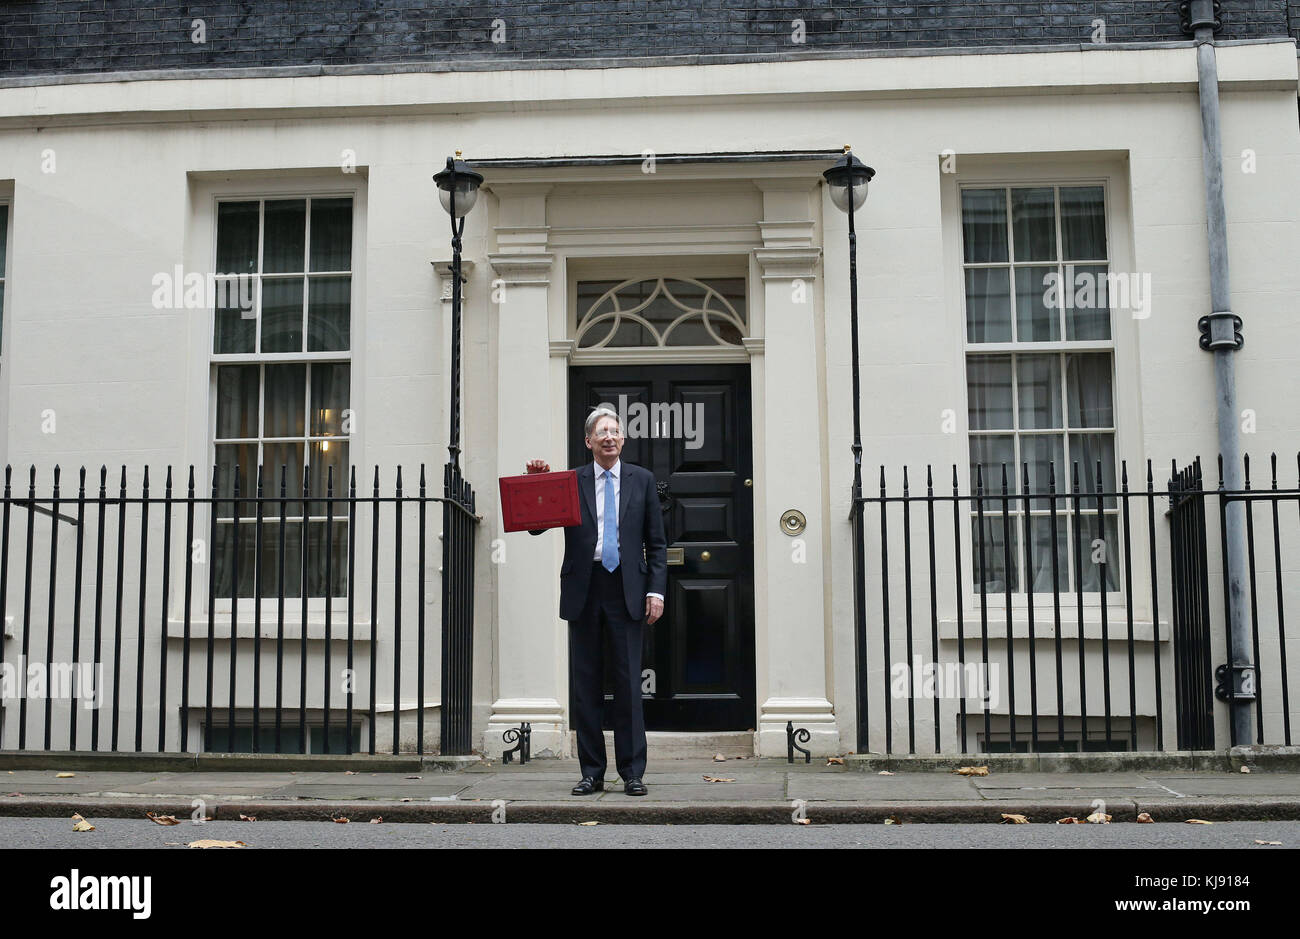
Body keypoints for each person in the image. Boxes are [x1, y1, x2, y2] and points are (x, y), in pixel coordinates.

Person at [526, 406, 667, 796]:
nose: (610, 436)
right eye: (602, 431)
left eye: (616, 431)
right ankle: (591, 772)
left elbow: (656, 543)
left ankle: (632, 771)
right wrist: (537, 483)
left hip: (627, 588)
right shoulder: (571, 480)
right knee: (586, 685)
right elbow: (536, 526)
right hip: (585, 589)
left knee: (627, 684)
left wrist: (656, 590)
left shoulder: (642, 480)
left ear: (623, 439)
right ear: (589, 441)